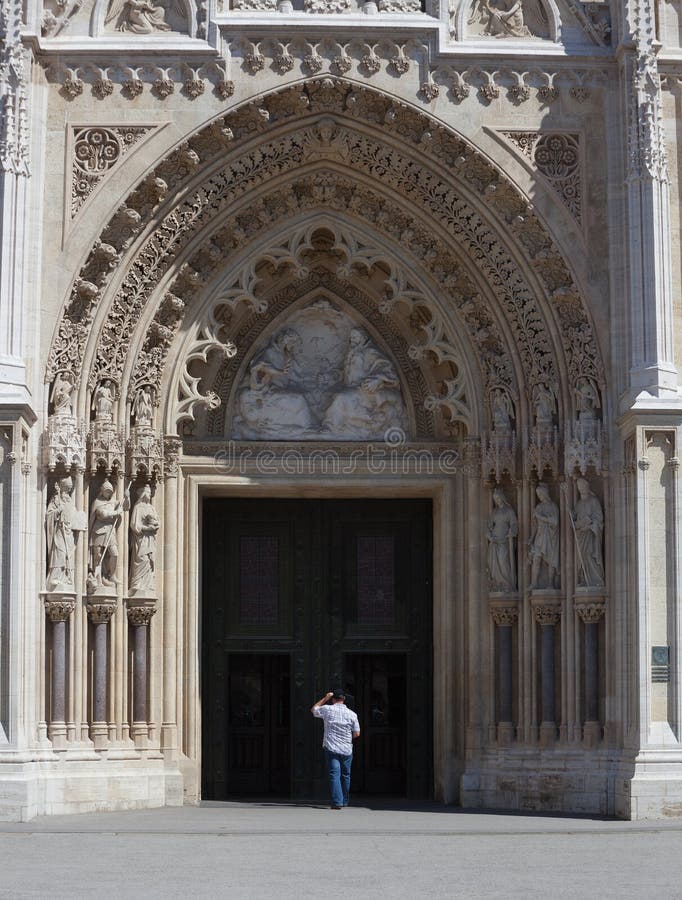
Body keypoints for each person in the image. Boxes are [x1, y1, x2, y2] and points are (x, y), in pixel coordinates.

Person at [311, 689, 360, 810]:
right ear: (344, 699)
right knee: (346, 775)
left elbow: (314, 709)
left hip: (332, 747)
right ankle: (344, 800)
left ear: (333, 699)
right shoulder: (352, 714)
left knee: (334, 774)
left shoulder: (328, 709)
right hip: (347, 749)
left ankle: (337, 802)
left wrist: (325, 698)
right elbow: (357, 733)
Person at [572, 478, 605, 588]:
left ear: (587, 488)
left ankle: (596, 579)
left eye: (583, 488)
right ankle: (583, 579)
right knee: (581, 557)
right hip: (581, 535)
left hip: (591, 534)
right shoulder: (579, 504)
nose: (581, 490)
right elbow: (575, 520)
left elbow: (599, 518)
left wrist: (590, 524)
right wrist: (574, 520)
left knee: (590, 554)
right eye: (579, 488)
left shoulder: (594, 501)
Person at [486, 486, 518, 592]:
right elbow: (489, 526)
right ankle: (497, 583)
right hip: (494, 540)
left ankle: (507, 583)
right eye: (495, 499)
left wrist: (512, 532)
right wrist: (489, 536)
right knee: (494, 564)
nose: (497, 501)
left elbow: (514, 524)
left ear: (502, 498)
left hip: (504, 540)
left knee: (503, 560)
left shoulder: (509, 511)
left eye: (499, 498)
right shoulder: (494, 512)